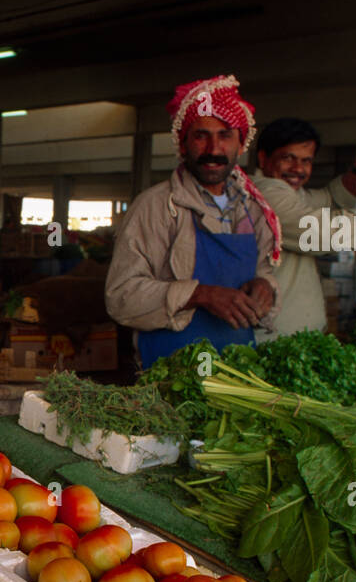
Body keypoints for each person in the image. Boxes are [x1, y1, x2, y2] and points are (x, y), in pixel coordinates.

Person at [105, 75, 281, 368]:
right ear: (183, 144)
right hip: (169, 372)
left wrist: (265, 286)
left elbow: (264, 270)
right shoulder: (155, 207)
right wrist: (200, 294)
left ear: (241, 144)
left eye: (225, 135)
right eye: (201, 136)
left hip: (240, 371)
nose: (213, 149)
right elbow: (121, 297)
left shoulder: (254, 208)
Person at [252, 118, 356, 339]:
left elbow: (329, 199)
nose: (298, 169)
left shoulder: (290, 193)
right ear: (263, 158)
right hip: (275, 340)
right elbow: (314, 233)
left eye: (306, 161)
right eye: (288, 158)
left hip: (296, 338)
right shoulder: (264, 192)